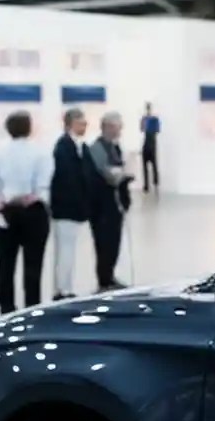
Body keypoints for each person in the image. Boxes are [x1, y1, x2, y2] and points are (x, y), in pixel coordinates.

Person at [0, 111, 53, 314]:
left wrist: (0, 203)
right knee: (33, 264)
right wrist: (30, 197)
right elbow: (43, 185)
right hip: (33, 211)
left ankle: (6, 308)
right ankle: (31, 308)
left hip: (5, 211)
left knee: (5, 263)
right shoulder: (41, 152)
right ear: (29, 127)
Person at [50, 108, 94, 300]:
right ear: (70, 124)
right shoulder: (63, 147)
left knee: (69, 249)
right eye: (81, 123)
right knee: (64, 250)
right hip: (65, 208)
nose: (84, 126)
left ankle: (66, 286)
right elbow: (66, 178)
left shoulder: (80, 147)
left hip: (75, 208)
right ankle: (62, 289)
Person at [88, 112, 134, 292]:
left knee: (114, 242)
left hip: (116, 205)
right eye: (117, 126)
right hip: (102, 206)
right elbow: (108, 174)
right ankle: (104, 280)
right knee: (104, 243)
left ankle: (110, 276)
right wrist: (122, 173)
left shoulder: (114, 147)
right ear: (107, 127)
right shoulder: (97, 148)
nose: (120, 130)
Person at [139, 102, 160, 193]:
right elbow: (142, 129)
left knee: (153, 165)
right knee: (147, 166)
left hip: (151, 144)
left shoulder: (154, 119)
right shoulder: (145, 119)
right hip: (147, 144)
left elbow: (157, 130)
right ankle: (148, 185)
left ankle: (155, 183)